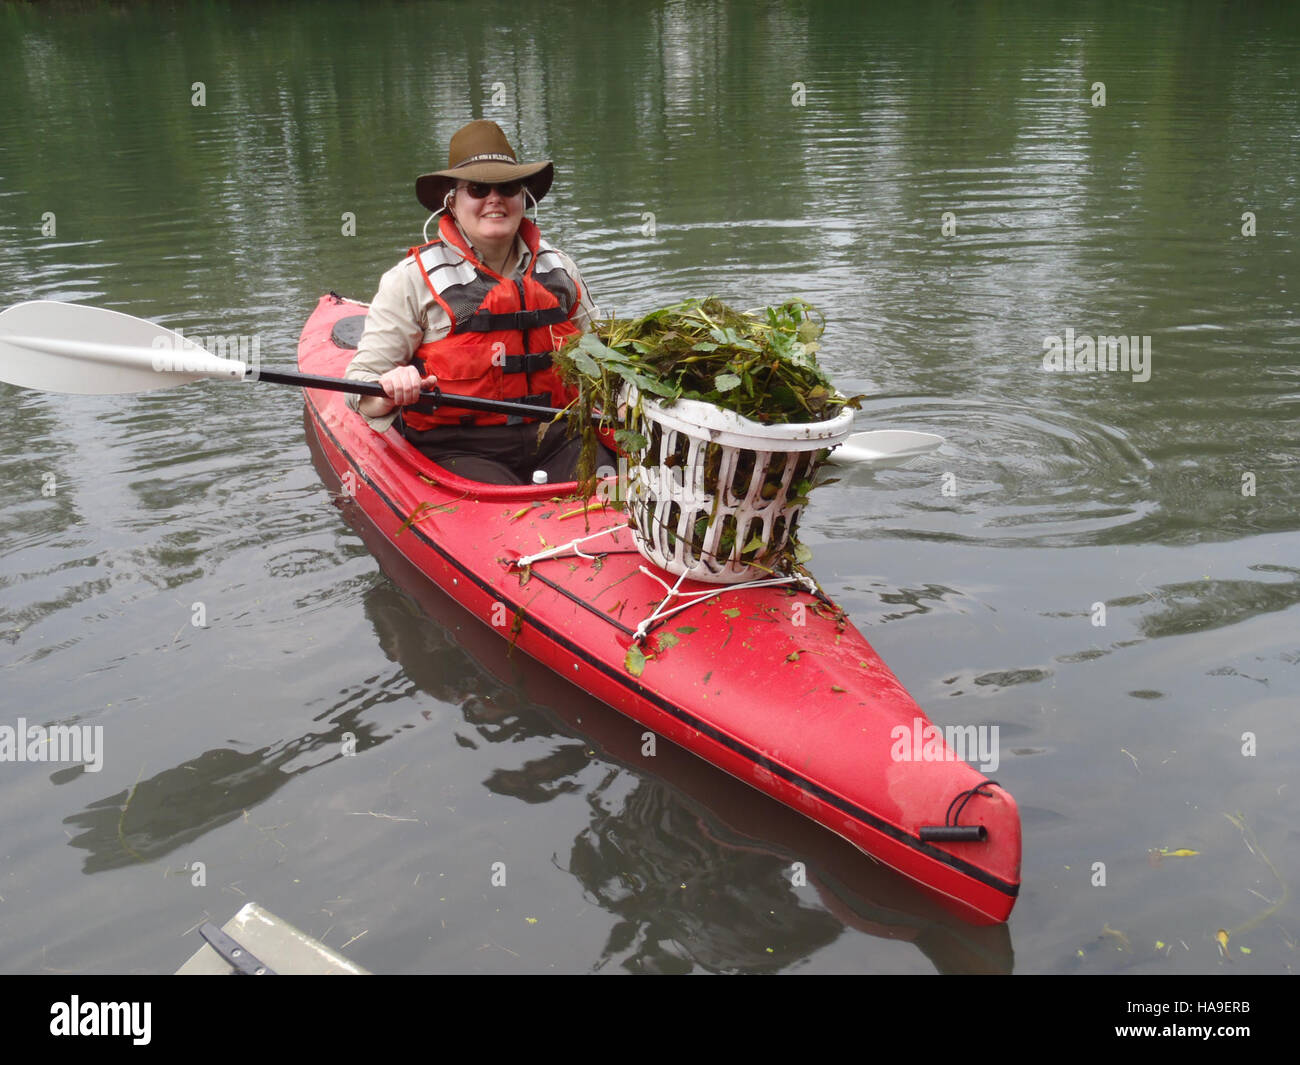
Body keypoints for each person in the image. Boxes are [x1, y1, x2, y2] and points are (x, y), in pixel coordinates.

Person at [345, 120, 609, 484]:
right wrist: (391, 388)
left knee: (615, 488)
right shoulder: (409, 281)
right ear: (451, 202)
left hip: (560, 436)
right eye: (478, 189)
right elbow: (360, 388)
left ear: (523, 197)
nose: (494, 199)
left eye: (507, 187)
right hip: (458, 447)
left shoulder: (559, 269)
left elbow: (607, 360)